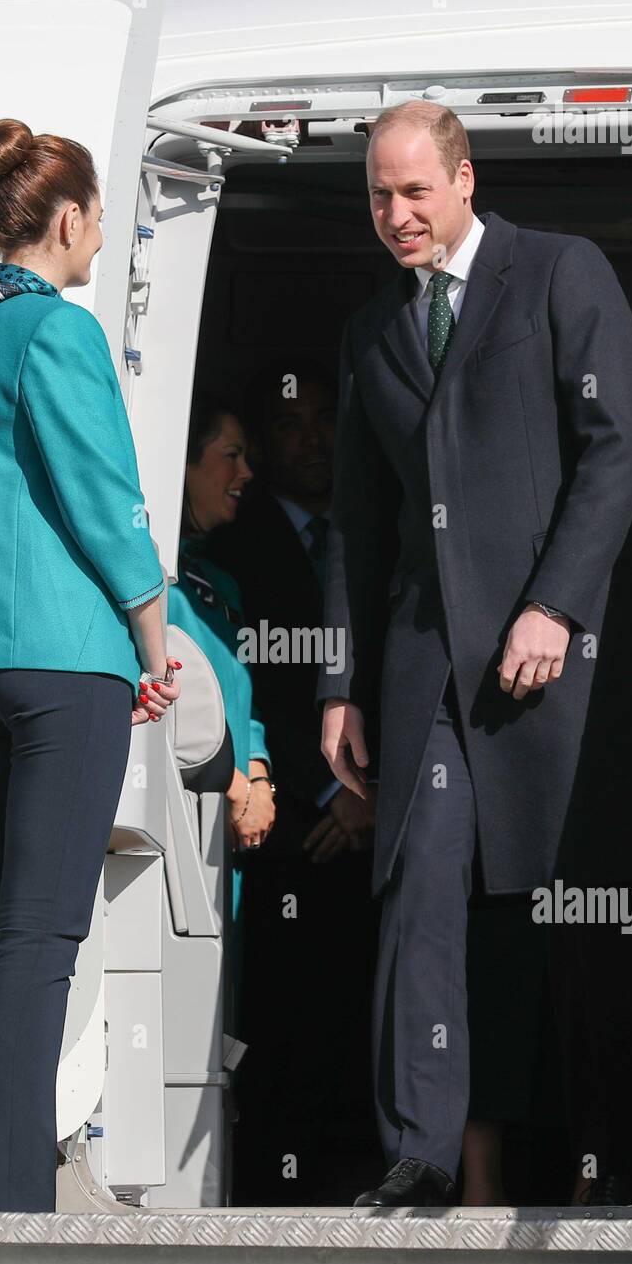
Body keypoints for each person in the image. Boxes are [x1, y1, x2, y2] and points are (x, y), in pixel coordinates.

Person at [317, 100, 632, 1208]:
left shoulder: (559, 271)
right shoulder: (371, 330)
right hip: (425, 666)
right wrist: (336, 684)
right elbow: (354, 523)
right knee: (419, 890)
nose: (395, 213)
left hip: (561, 670)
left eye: (414, 190)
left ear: (464, 179)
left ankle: (623, 1159)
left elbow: (615, 450)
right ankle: (418, 1151)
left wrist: (552, 603)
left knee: (568, 914)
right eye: (377, 194)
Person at [0, 118, 180, 1214]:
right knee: (42, 935)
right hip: (62, 664)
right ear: (66, 220)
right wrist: (152, 646)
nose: (103, 238)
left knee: (0, 935)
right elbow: (105, 498)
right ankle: (14, 1203)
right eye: (102, 217)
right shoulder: (57, 334)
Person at [206, 359, 380, 1203]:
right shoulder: (227, 545)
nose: (310, 440)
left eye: (323, 420)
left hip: (387, 824)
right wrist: (326, 794)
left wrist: (375, 800)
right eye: (287, 426)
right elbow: (252, 684)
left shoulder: (382, 528)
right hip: (281, 832)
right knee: (283, 1028)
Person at [167, 394, 275, 952]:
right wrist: (233, 786)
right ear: (182, 462)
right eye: (230, 454)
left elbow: (245, 698)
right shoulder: (151, 580)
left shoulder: (220, 584)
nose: (245, 472)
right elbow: (157, 702)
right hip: (183, 819)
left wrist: (257, 778)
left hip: (231, 819)